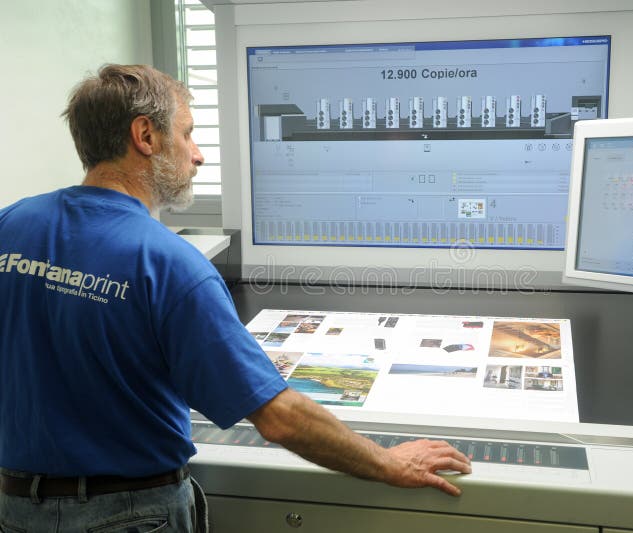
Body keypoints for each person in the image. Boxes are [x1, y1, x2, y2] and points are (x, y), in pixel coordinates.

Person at [0, 64, 471, 532]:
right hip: (130, 515)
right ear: (145, 135)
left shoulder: (11, 225)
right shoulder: (167, 263)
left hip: (15, 508)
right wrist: (388, 462)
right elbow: (279, 416)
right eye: (187, 134)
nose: (198, 154)